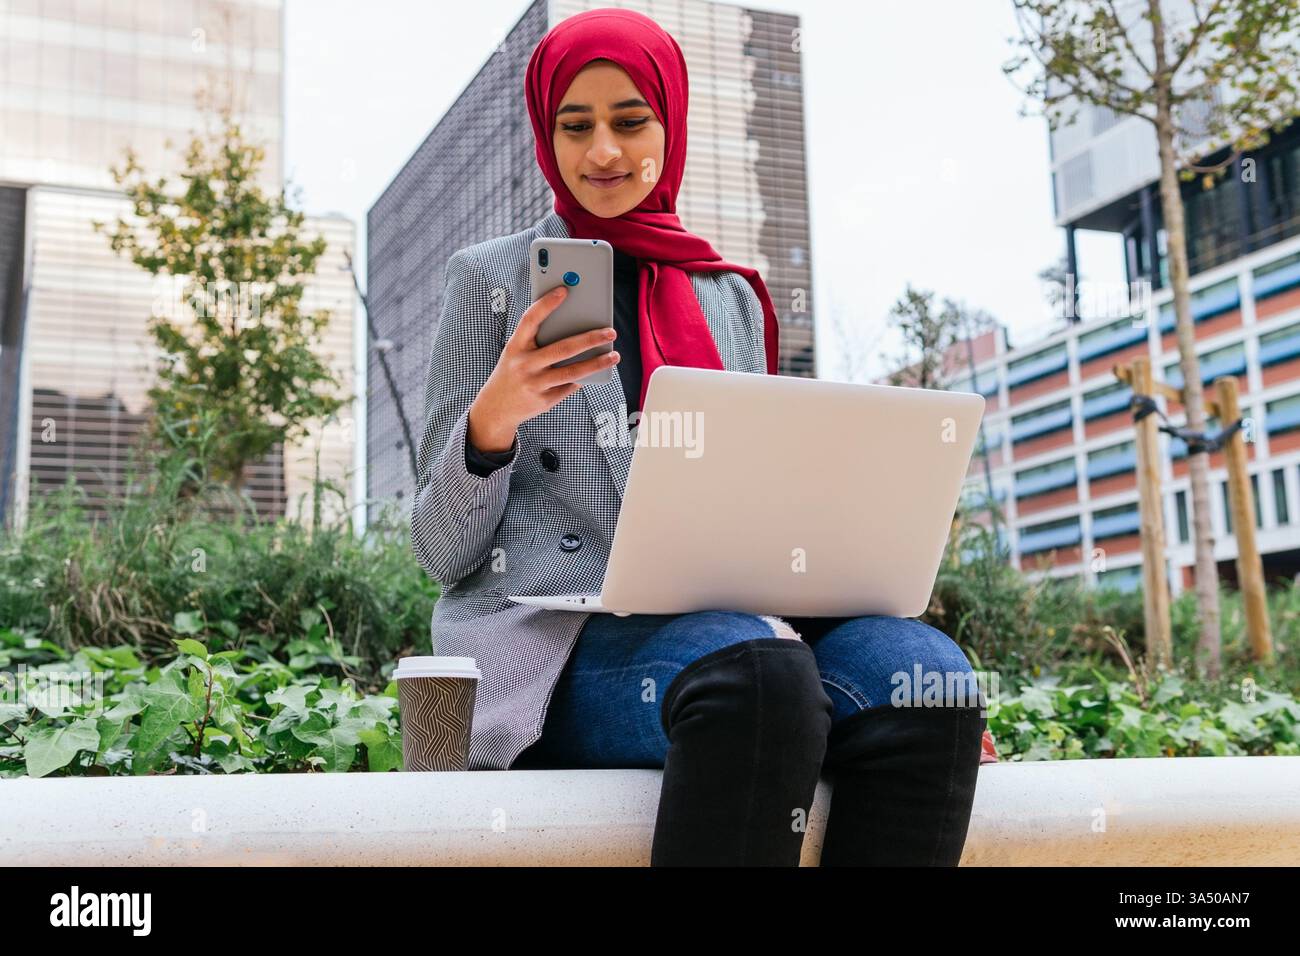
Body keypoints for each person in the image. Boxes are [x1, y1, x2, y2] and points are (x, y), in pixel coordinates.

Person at [410, 7, 989, 866]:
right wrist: (492, 421)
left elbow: (758, 512)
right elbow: (437, 552)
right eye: (575, 127)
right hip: (558, 642)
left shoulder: (729, 296)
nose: (603, 152)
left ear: (670, 124)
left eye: (629, 120)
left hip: (734, 618)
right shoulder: (490, 280)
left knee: (928, 681)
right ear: (547, 135)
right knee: (754, 674)